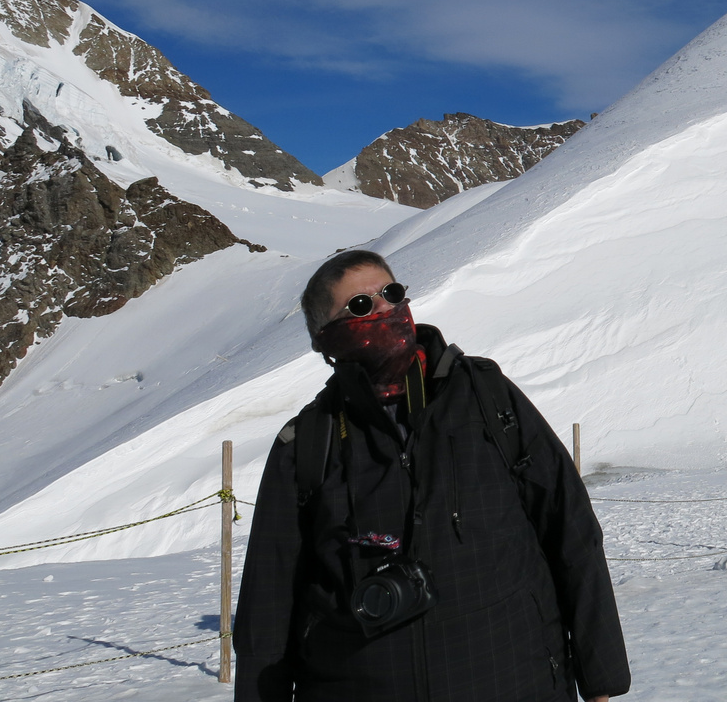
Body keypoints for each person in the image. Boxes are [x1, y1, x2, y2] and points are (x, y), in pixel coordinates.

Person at [234, 251, 631, 702]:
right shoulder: (309, 440)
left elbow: (570, 527)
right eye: (361, 306)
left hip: (517, 680)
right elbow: (268, 601)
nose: (384, 308)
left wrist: (603, 679)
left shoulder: (486, 397)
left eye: (391, 293)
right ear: (326, 339)